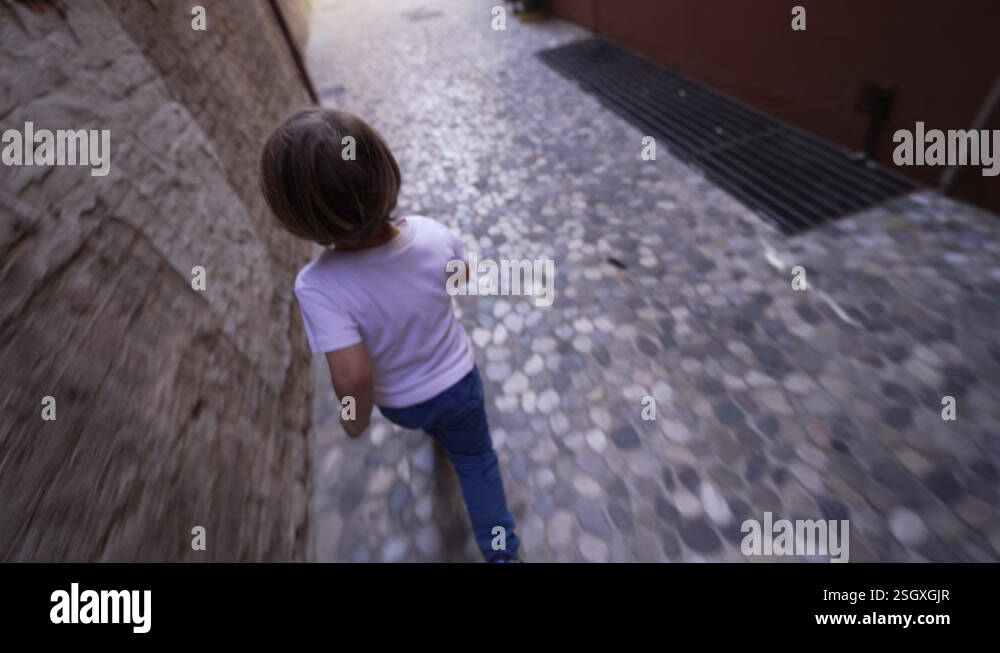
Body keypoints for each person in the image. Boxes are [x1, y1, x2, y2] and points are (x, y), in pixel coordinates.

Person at [260, 109, 520, 562]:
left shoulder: (318, 286)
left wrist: (354, 420)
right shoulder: (434, 235)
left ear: (296, 216)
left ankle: (437, 431)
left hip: (405, 403)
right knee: (477, 464)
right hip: (459, 382)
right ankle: (502, 555)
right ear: (383, 170)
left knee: (437, 424)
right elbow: (459, 280)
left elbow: (354, 376)